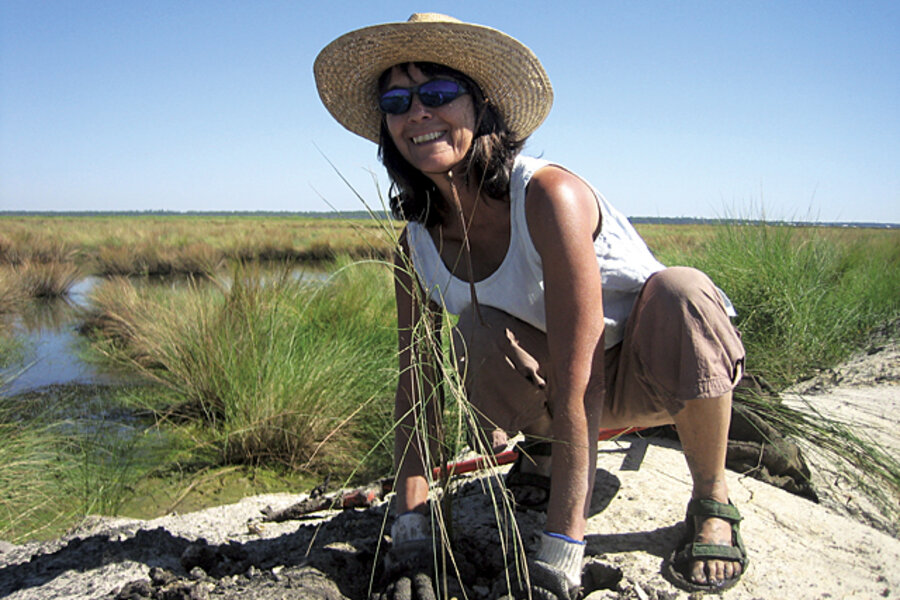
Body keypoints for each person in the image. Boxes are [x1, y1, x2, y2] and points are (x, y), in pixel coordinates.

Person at [314, 13, 748, 599]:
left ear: (482, 107)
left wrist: (561, 555)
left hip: (646, 375)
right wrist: (411, 528)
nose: (417, 113)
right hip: (552, 394)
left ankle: (712, 498)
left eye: (438, 93)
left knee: (682, 291)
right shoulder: (414, 244)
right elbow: (415, 391)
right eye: (397, 101)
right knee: (474, 331)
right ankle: (544, 452)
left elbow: (583, 384)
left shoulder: (548, 196)